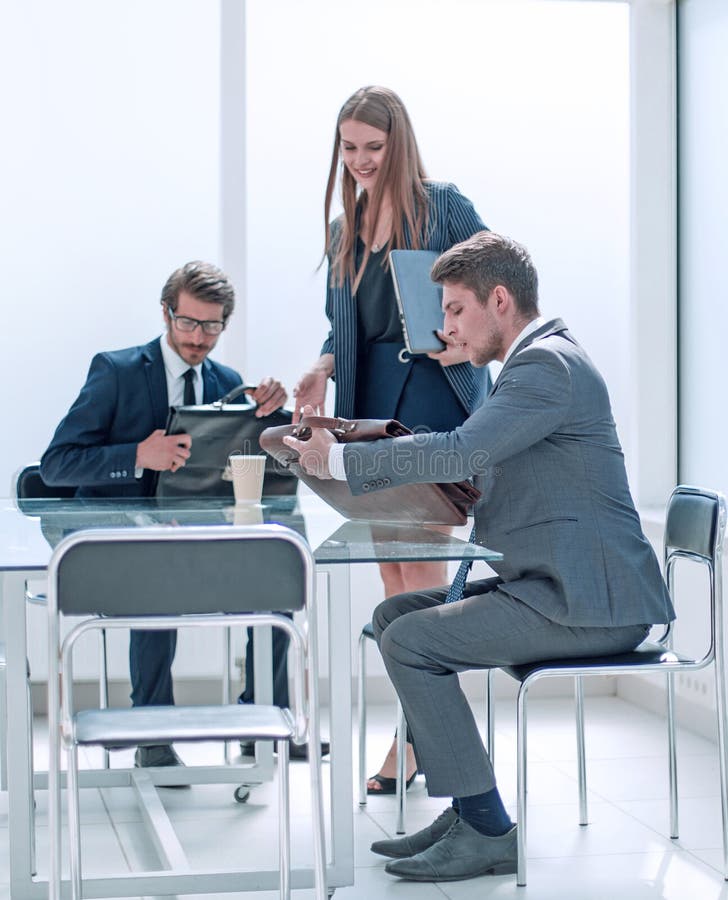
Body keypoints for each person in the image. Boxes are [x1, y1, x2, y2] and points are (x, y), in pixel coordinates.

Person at [284, 231, 675, 881]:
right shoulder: (535, 367)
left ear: (499, 300)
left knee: (411, 641)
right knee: (395, 618)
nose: (445, 328)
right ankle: (470, 809)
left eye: (455, 309)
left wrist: (344, 460)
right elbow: (489, 465)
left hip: (588, 601)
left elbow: (465, 448)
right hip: (554, 585)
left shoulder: (546, 366)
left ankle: (487, 827)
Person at [39, 260, 323, 773]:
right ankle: (153, 729)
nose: (198, 337)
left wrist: (268, 417)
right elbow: (57, 465)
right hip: (123, 541)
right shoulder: (117, 370)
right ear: (166, 314)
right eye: (188, 322)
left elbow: (228, 472)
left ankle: (264, 721)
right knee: (158, 579)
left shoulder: (227, 381)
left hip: (195, 537)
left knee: (274, 585)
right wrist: (135, 456)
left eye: (211, 326)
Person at [293, 85, 489, 793]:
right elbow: (342, 328)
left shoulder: (444, 205)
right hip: (370, 405)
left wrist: (461, 340)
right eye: (349, 149)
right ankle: (421, 729)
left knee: (423, 576)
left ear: (398, 144)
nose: (360, 161)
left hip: (433, 396)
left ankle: (420, 740)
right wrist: (320, 368)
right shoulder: (348, 226)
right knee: (391, 580)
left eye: (373, 148)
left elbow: (496, 287)